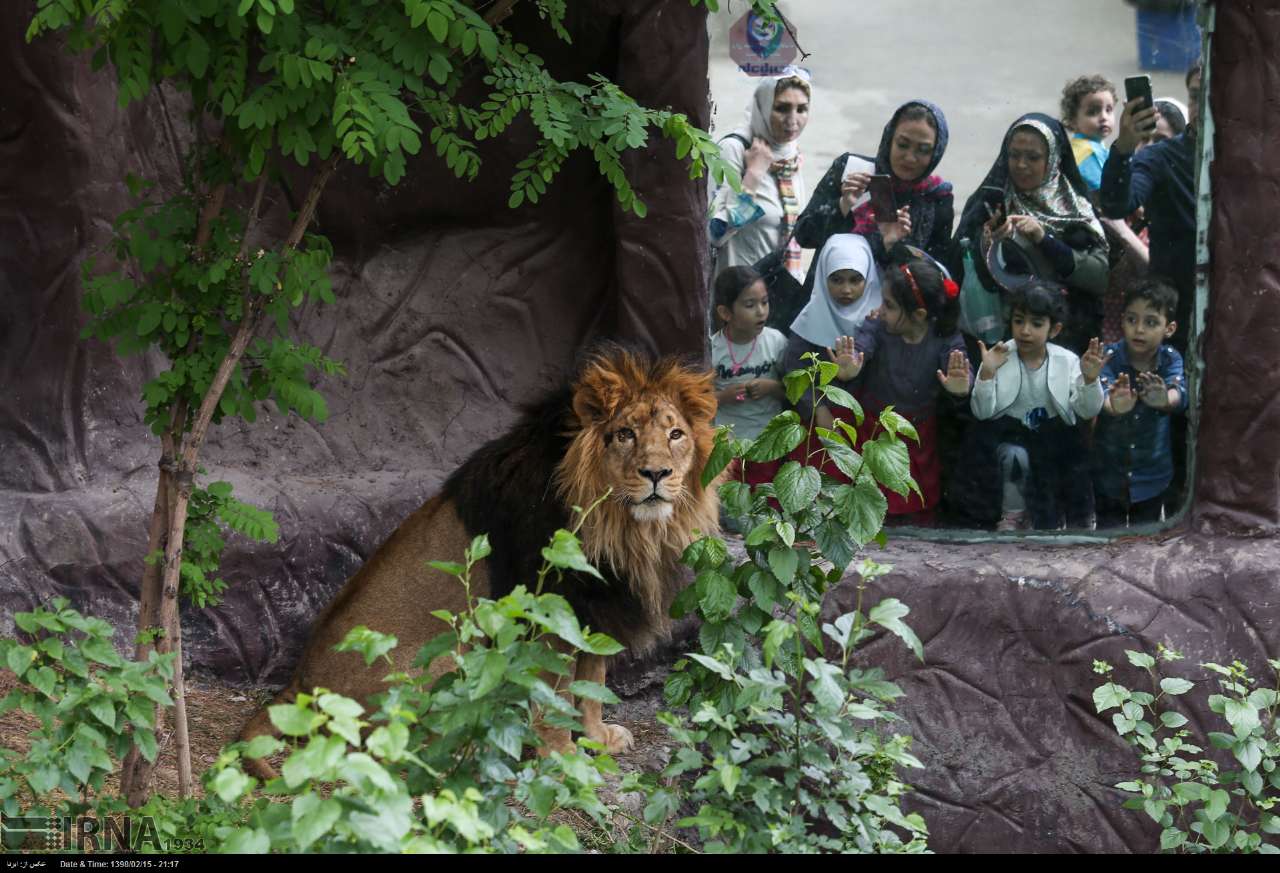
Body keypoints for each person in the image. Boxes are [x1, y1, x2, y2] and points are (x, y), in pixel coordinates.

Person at [952, 113, 1109, 355]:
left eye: (1033, 157)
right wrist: (987, 243)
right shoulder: (988, 203)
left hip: (1065, 340)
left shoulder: (1076, 208)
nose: (1021, 165)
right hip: (1001, 343)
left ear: (1054, 159)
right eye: (1014, 155)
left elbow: (1099, 277)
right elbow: (958, 269)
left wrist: (1044, 240)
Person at [837, 246, 971, 526]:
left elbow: (959, 367)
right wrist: (850, 369)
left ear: (919, 315)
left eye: (889, 305)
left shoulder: (945, 337)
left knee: (917, 506)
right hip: (875, 432)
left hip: (919, 439)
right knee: (871, 505)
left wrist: (960, 387)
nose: (879, 310)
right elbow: (861, 348)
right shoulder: (877, 327)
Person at [968, 282, 1108, 531]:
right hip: (1012, 434)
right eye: (1019, 321)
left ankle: (1079, 521)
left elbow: (1087, 410)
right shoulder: (998, 356)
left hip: (1054, 436)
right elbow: (982, 411)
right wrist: (987, 373)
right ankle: (1013, 514)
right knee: (1015, 457)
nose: (1025, 331)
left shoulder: (1067, 360)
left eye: (1036, 324)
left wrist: (1088, 379)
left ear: (1054, 329)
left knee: (1074, 466)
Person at [1099, 63, 1201, 352]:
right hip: (1176, 315)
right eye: (1195, 95)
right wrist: (1124, 147)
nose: (1201, 105)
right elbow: (1118, 203)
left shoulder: (1254, 159)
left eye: (1212, 94)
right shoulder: (1161, 157)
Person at [795, 100, 953, 275]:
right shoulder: (851, 170)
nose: (910, 157)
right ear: (889, 139)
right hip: (826, 301)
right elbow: (804, 235)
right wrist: (843, 206)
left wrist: (892, 247)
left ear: (936, 152)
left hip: (890, 302)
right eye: (902, 144)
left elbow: (934, 278)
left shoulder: (936, 198)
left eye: (923, 150)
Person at [1093, 280, 1187, 528]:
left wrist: (1165, 399)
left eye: (1151, 322)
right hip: (1108, 474)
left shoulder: (1170, 359)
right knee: (1106, 539)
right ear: (1122, 320)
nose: (1139, 329)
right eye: (1132, 320)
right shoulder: (1110, 357)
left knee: (1143, 544)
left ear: (1169, 328)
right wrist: (1113, 405)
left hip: (1152, 477)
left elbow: (1181, 392)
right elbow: (1099, 394)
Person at [709, 72, 812, 281]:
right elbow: (714, 234)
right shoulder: (734, 150)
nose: (793, 120)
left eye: (801, 109)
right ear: (763, 107)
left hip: (781, 295)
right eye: (782, 108)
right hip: (741, 296)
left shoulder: (791, 155)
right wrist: (753, 176)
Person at [782, 234, 884, 430]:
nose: (846, 289)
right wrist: (818, 409)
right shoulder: (810, 320)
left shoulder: (881, 318)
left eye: (856, 280)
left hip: (871, 423)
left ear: (869, 277)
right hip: (820, 425)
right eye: (836, 280)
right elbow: (795, 373)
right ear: (822, 276)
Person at [710, 265, 789, 454]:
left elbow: (795, 392)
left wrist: (771, 387)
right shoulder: (713, 349)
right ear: (725, 313)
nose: (761, 311)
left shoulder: (776, 342)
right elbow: (698, 399)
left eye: (764, 302)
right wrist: (723, 397)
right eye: (750, 305)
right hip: (726, 443)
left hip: (768, 441)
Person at [1061, 74, 1118, 192]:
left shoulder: (1076, 146)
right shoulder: (1088, 152)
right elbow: (1106, 194)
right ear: (1073, 120)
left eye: (1108, 110)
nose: (1104, 117)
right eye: (1092, 112)